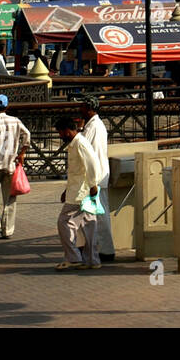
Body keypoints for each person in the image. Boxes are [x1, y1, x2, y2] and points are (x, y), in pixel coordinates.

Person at [54, 115, 102, 270]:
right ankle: (92, 260)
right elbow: (77, 171)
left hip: (81, 193)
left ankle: (73, 257)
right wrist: (66, 190)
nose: (60, 136)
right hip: (80, 190)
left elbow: (92, 164)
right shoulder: (76, 143)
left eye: (60, 133)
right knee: (89, 225)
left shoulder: (80, 144)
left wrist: (93, 184)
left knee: (64, 221)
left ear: (66, 131)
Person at [0, 93, 30, 239]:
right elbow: (27, 135)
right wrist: (22, 152)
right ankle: (7, 229)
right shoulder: (16, 121)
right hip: (11, 164)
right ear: (7, 107)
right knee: (9, 197)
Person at [79, 96, 114, 261]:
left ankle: (106, 250)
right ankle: (97, 248)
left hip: (96, 177)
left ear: (88, 108)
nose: (80, 110)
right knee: (96, 214)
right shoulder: (94, 125)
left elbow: (85, 151)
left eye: (82, 107)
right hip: (97, 176)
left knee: (100, 215)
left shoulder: (93, 127)